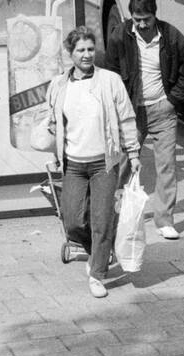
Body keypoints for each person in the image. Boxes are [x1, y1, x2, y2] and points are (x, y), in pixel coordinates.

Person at [45, 25, 141, 298]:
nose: (86, 55)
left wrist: (133, 154)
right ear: (70, 53)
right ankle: (98, 249)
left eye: (90, 49)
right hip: (73, 164)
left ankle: (98, 273)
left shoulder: (110, 80)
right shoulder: (58, 85)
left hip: (104, 164)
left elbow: (126, 118)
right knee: (73, 220)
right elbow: (53, 123)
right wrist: (53, 154)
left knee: (102, 219)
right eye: (80, 50)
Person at [105, 0, 184, 240]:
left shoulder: (173, 37)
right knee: (123, 164)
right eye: (137, 20)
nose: (142, 25)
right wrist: (120, 107)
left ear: (155, 16)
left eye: (146, 19)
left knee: (166, 165)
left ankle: (164, 220)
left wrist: (172, 101)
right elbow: (111, 74)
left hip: (162, 111)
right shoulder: (120, 37)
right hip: (131, 112)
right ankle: (114, 214)